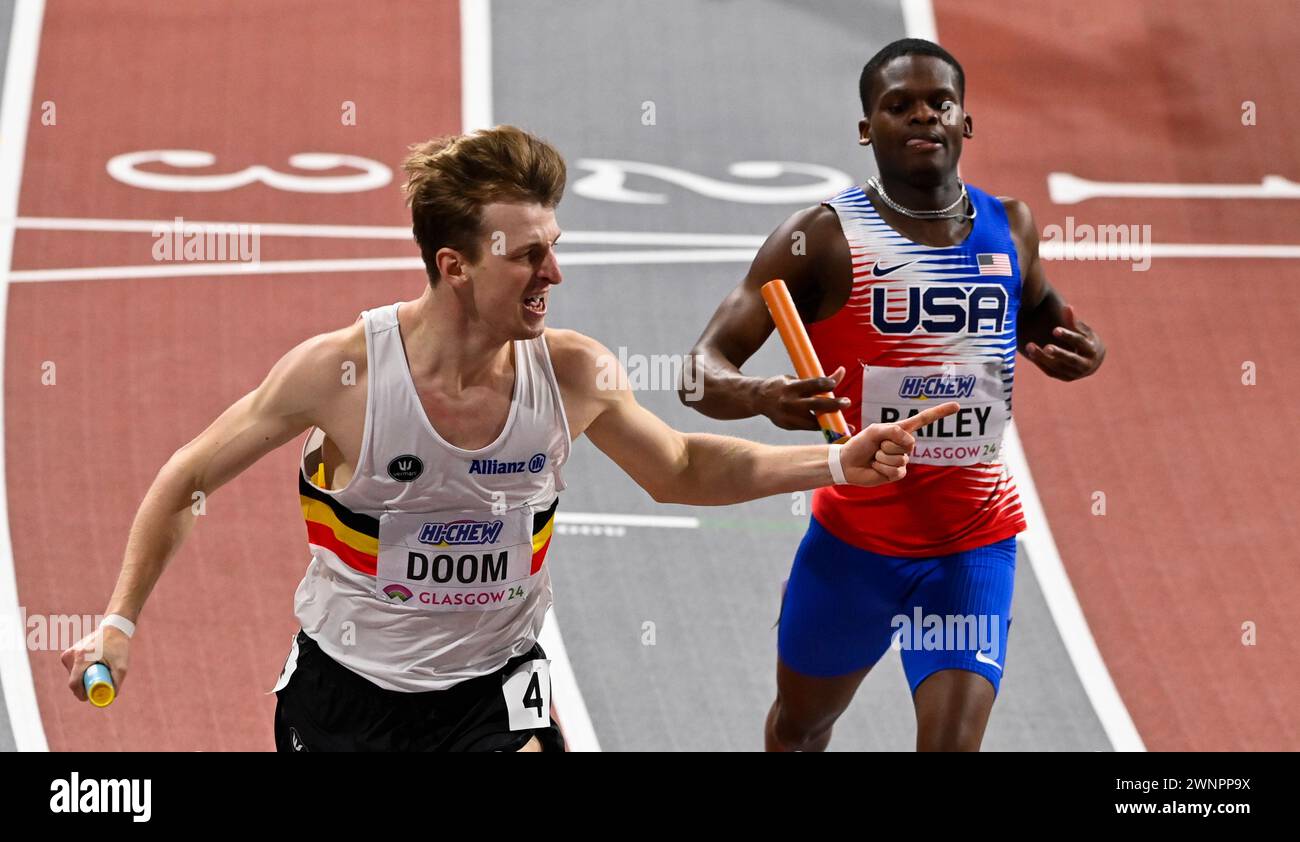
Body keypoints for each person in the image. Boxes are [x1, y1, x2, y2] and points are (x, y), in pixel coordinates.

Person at [61, 125, 957, 752]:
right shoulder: (344, 376)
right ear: (454, 266)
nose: (554, 273)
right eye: (528, 255)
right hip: (346, 696)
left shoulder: (570, 373)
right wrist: (117, 622)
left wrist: (837, 461)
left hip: (497, 692)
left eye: (553, 247)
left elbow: (680, 467)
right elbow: (188, 478)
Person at [682, 38, 1106, 751]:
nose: (922, 117)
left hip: (972, 545)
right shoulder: (821, 237)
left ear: (965, 121)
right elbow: (699, 370)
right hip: (854, 547)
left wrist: (1084, 352)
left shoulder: (1013, 226)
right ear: (865, 127)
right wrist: (760, 394)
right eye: (898, 105)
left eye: (939, 103)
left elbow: (1048, 322)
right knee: (798, 730)